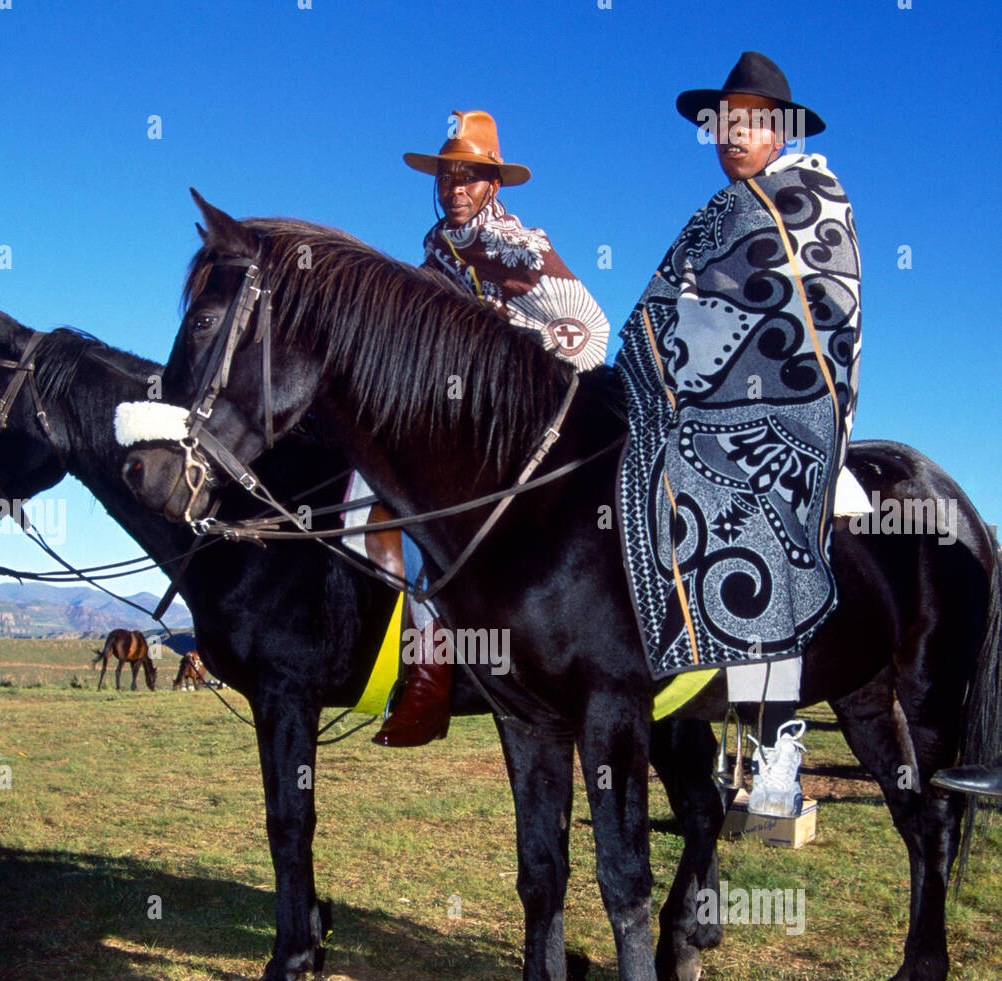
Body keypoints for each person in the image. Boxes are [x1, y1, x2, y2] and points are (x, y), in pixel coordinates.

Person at [617, 52, 862, 815]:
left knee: (760, 511)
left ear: (781, 130)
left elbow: (823, 316)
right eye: (723, 124)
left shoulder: (815, 198)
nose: (733, 134)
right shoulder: (715, 215)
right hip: (698, 405)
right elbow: (661, 309)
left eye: (751, 121)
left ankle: (778, 731)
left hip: (789, 413)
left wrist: (711, 371)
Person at [367, 110, 611, 747]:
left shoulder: (519, 246)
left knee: (428, 515)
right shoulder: (433, 251)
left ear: (493, 185)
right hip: (451, 418)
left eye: (468, 177)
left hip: (521, 421)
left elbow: (588, 332)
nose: (454, 187)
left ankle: (430, 673)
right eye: (447, 175)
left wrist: (493, 344)